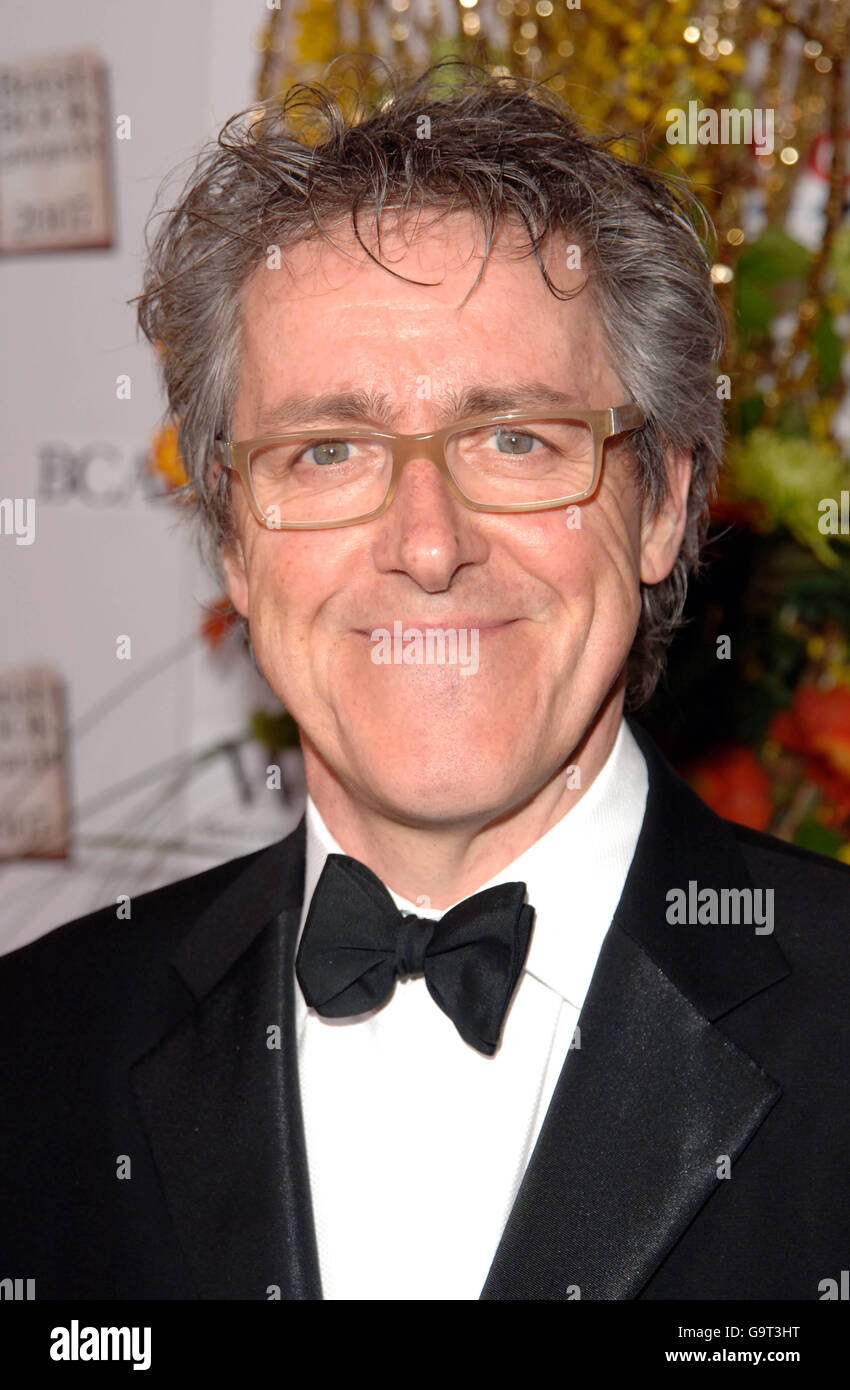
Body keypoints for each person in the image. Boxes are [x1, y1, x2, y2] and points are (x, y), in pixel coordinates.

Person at [1, 62, 848, 1302]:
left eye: (516, 438)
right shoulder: (34, 1050)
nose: (428, 542)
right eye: (328, 449)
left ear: (662, 502)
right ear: (235, 538)